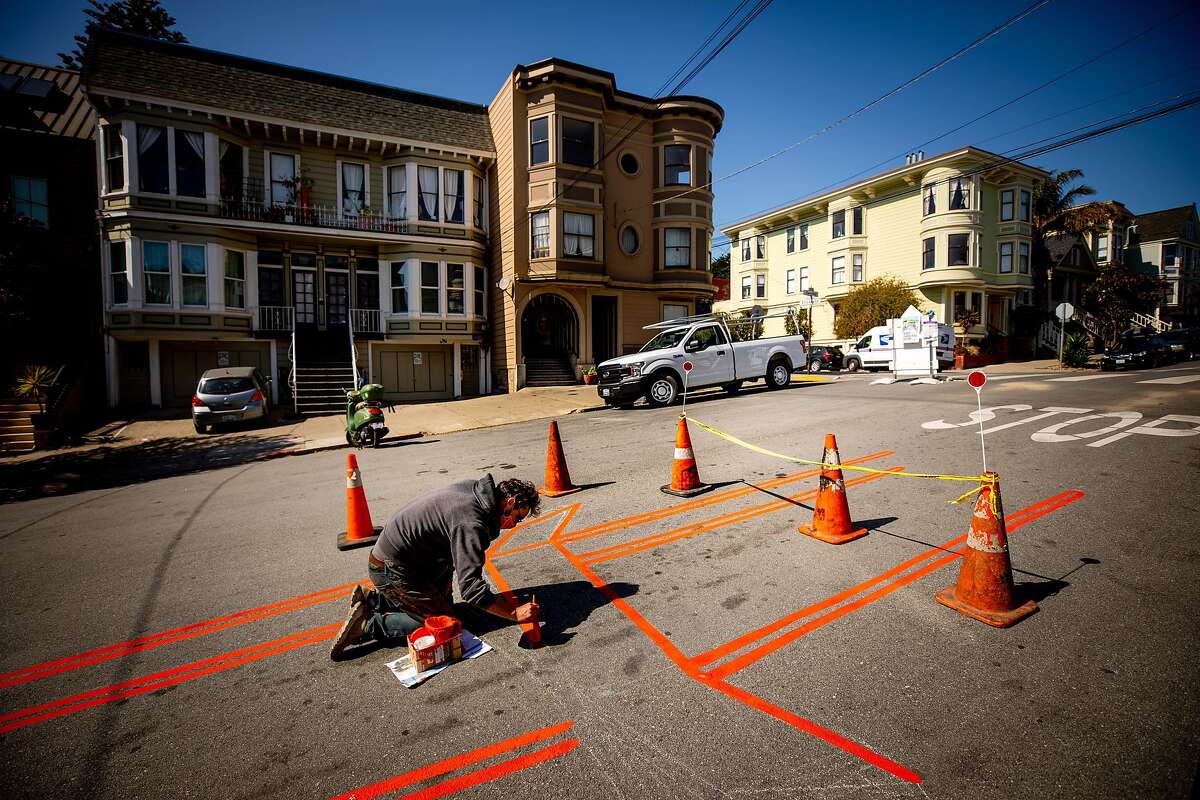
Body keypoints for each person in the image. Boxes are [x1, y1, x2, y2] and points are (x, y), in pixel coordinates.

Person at [330, 474, 542, 659]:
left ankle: (375, 600)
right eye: (518, 517)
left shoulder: (475, 491)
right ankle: (367, 625)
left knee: (444, 602)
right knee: (446, 623)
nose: (514, 525)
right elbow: (472, 590)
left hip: (409, 559)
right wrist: (515, 613)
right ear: (509, 502)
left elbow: (450, 549)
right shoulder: (472, 523)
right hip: (392, 568)